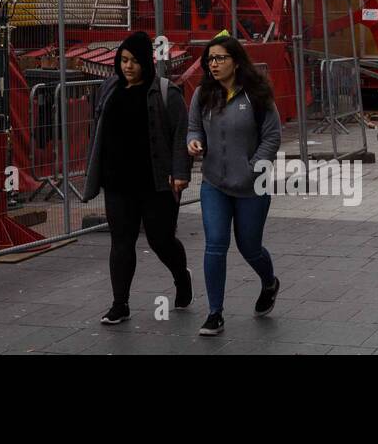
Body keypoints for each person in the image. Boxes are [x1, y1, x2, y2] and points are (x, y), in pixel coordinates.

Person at [83, 31, 192, 325]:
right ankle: (120, 304)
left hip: (156, 183)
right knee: (121, 242)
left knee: (161, 240)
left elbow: (181, 134)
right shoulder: (110, 88)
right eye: (123, 60)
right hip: (118, 183)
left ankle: (182, 278)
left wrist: (180, 173)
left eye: (133, 61)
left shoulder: (166, 93)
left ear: (146, 61)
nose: (127, 66)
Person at [186, 33, 282, 336]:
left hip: (252, 186)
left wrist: (253, 169)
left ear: (236, 61)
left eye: (219, 58)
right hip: (214, 183)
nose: (213, 64)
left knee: (249, 246)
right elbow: (193, 129)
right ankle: (215, 313)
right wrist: (194, 142)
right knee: (215, 244)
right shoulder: (203, 94)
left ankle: (269, 282)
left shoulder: (258, 95)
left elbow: (272, 137)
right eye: (209, 59)